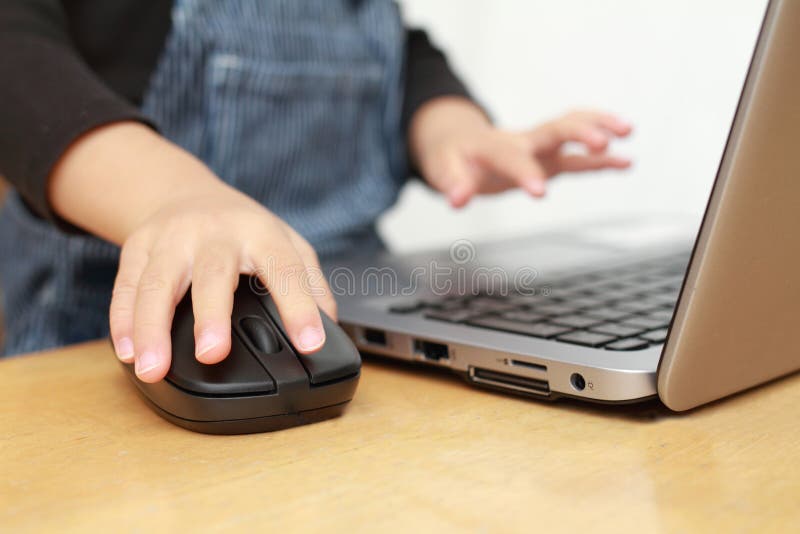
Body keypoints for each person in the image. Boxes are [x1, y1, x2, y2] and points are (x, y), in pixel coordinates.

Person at [0, 0, 632, 383]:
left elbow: (397, 51)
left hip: (346, 309)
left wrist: (450, 130)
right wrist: (174, 199)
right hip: (114, 311)